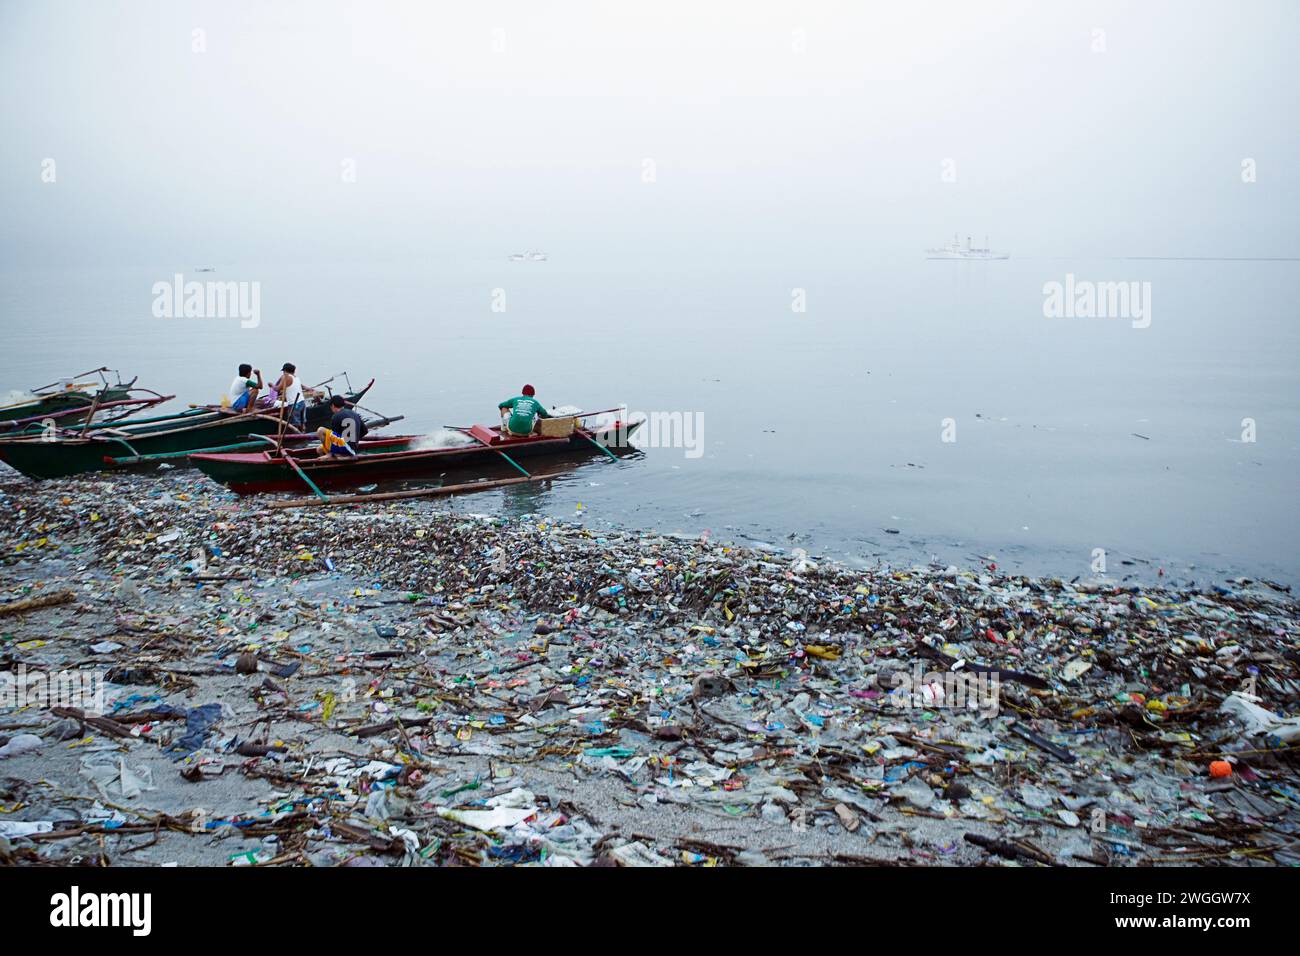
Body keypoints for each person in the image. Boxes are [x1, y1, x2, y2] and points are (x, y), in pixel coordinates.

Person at [273, 363, 306, 428]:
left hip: (294, 404)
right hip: (302, 402)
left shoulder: (286, 377)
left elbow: (277, 389)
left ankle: (297, 434)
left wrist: (271, 385)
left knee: (295, 424)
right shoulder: (296, 378)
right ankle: (303, 431)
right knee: (302, 423)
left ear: (285, 371)